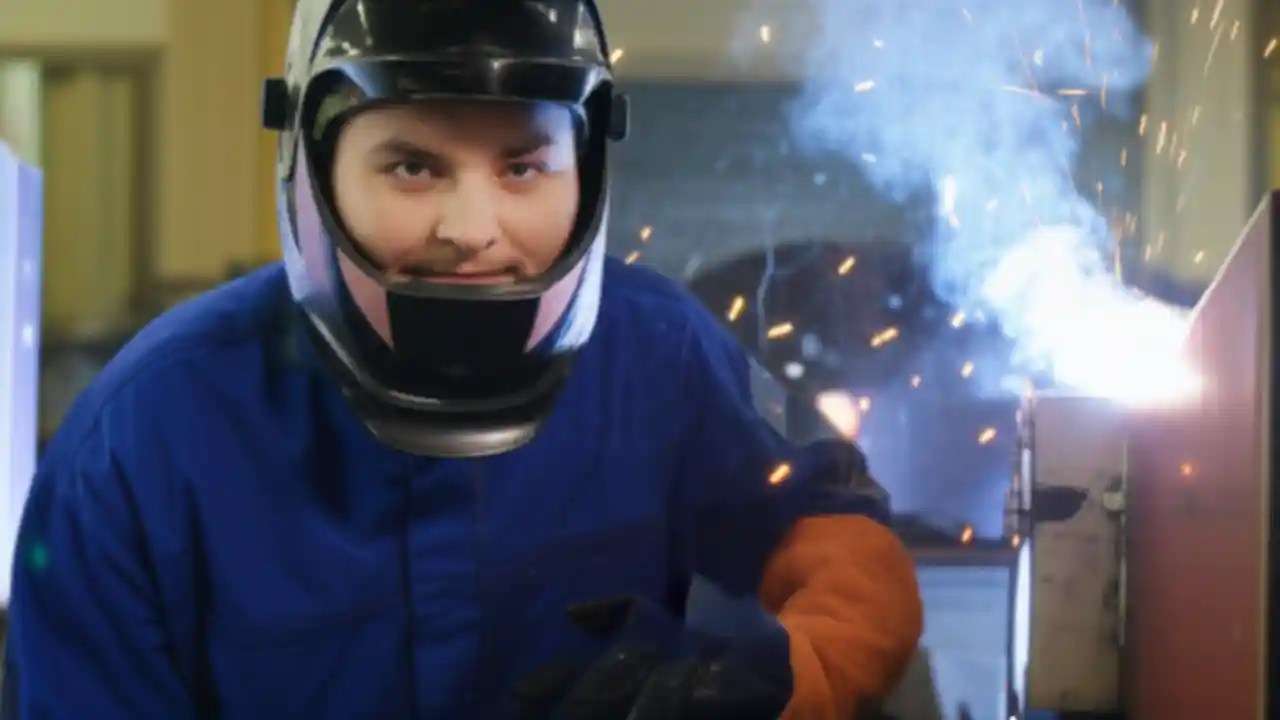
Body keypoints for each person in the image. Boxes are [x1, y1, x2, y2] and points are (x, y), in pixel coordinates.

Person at [2, 0, 923, 717]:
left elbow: (834, 536)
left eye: (523, 167)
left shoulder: (658, 353)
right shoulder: (143, 437)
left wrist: (792, 682)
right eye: (413, 167)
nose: (473, 233)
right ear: (311, 168)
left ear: (588, 165)